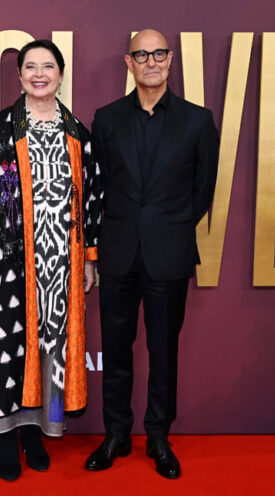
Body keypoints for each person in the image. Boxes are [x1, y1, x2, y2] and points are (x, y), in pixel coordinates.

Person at [85, 29, 219, 479]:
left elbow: (203, 193)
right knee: (116, 350)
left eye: (158, 53)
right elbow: (97, 188)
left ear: (170, 59)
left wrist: (169, 226)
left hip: (169, 253)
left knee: (163, 352)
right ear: (129, 62)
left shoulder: (198, 121)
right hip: (118, 253)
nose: (151, 61)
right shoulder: (105, 119)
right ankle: (117, 433)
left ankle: (158, 437)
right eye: (141, 54)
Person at [0, 39, 102, 481]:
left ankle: (37, 432)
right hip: (9, 264)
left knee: (52, 349)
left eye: (48, 66)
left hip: (59, 264)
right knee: (7, 347)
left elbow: (91, 201)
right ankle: (7, 436)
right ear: (20, 75)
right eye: (30, 66)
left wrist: (87, 259)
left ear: (61, 75)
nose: (39, 74)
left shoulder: (78, 132)